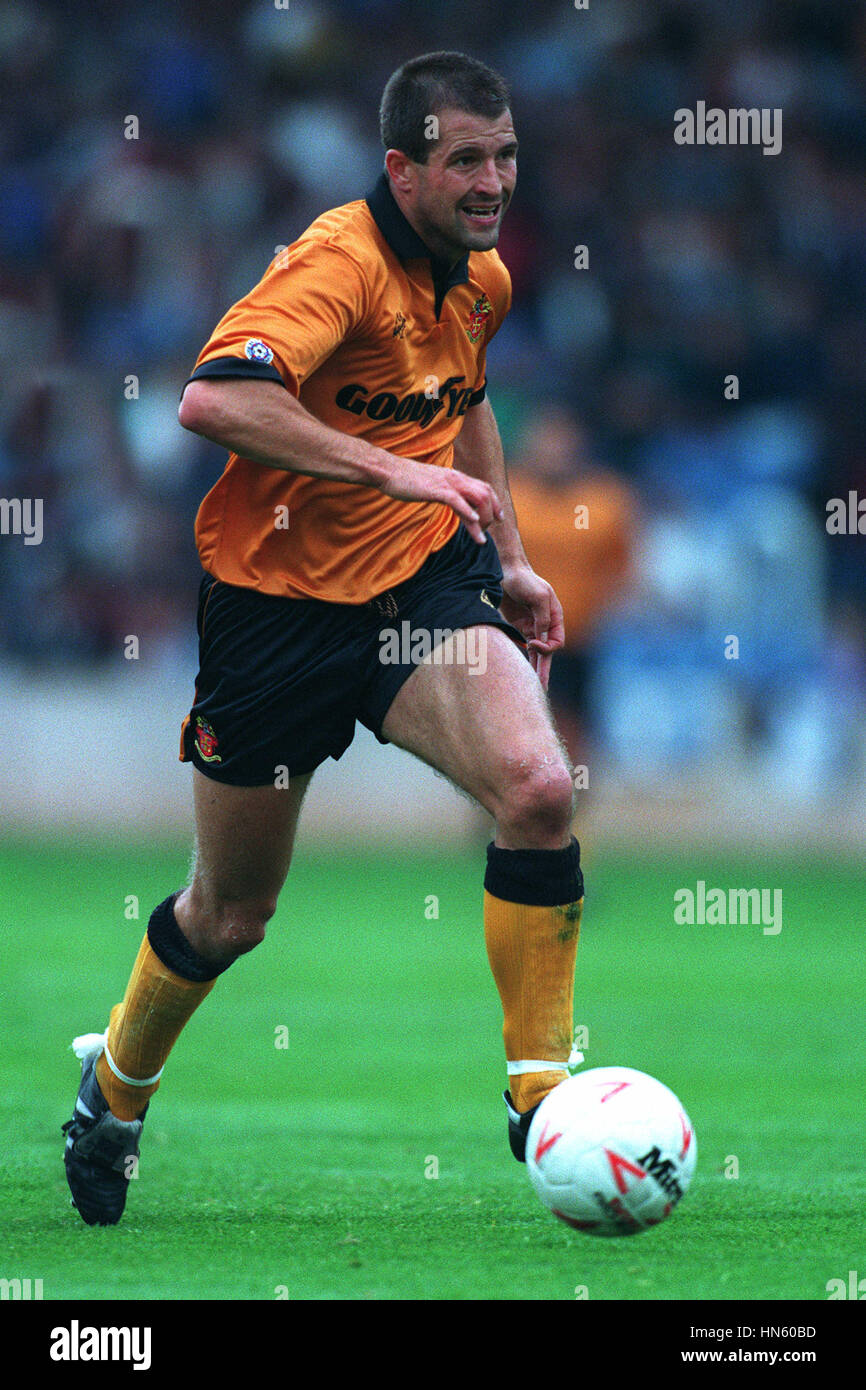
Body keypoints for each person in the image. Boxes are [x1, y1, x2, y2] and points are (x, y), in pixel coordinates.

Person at [62, 51, 585, 1226]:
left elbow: (468, 396)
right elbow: (212, 398)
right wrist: (392, 468)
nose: (492, 180)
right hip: (273, 617)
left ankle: (539, 1093)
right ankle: (114, 1088)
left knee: (539, 788)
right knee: (229, 914)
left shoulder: (480, 277)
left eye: (503, 156)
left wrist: (504, 557)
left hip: (419, 591)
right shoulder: (334, 264)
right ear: (401, 168)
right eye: (465, 161)